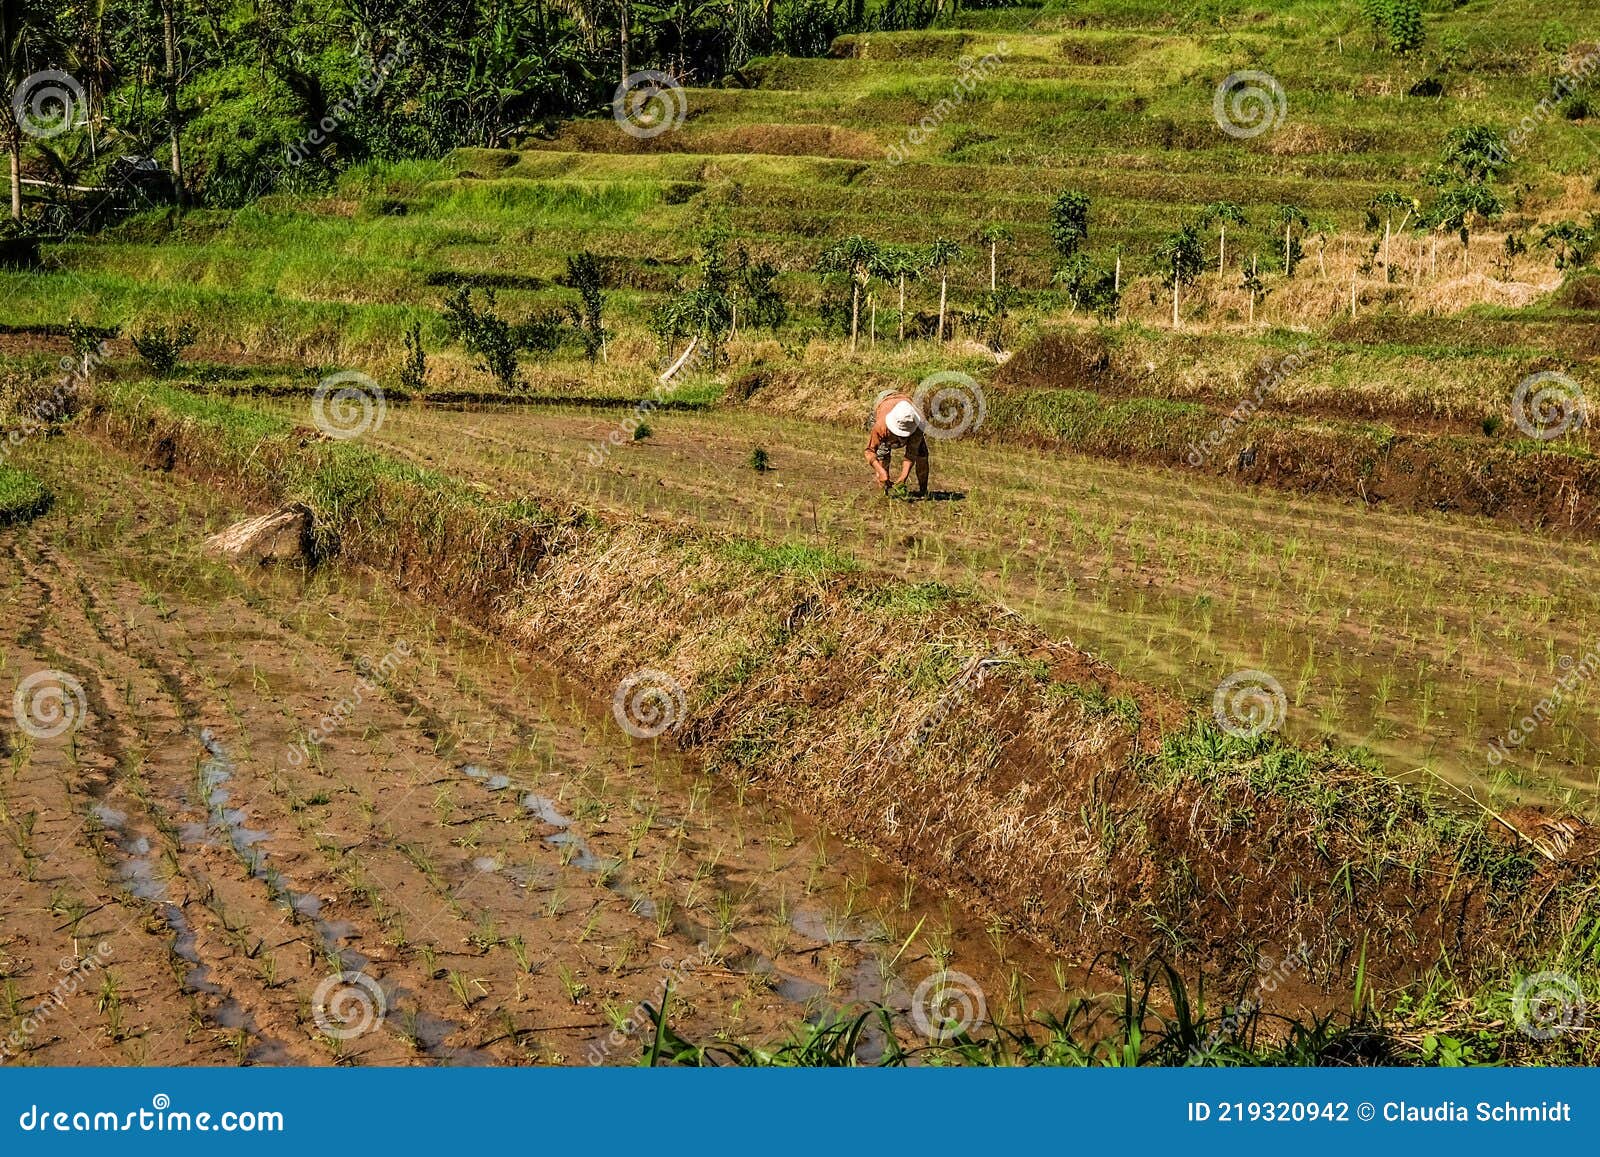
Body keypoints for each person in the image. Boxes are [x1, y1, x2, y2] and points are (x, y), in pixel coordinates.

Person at [864, 391, 929, 497]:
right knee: (882, 452)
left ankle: (923, 492)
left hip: (904, 400)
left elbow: (911, 453)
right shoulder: (881, 425)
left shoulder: (919, 424)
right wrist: (881, 471)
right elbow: (869, 451)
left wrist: (903, 477)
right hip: (884, 401)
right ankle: (884, 490)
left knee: (922, 453)